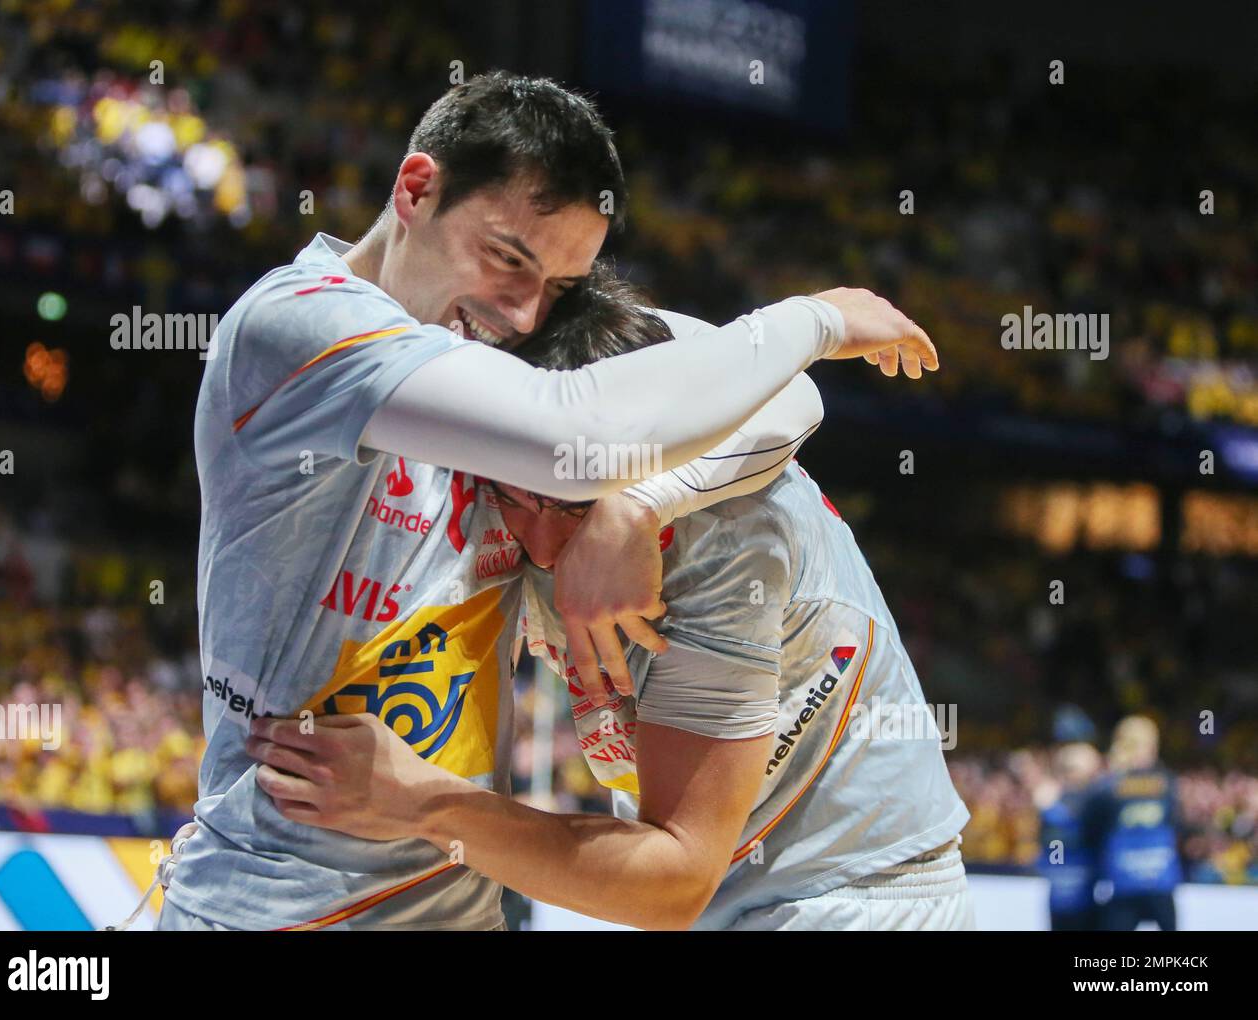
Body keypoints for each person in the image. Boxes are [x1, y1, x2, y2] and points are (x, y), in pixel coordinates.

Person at [164, 72, 940, 931]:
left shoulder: (508, 354)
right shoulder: (297, 324)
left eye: (561, 288)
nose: (524, 312)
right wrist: (820, 319)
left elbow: (778, 393)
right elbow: (584, 427)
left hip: (464, 902)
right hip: (273, 902)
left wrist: (637, 503)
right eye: (508, 258)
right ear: (417, 189)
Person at [249, 277, 970, 931]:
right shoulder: (527, 428)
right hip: (736, 901)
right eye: (518, 495)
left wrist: (422, 803)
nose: (538, 543)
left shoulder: (727, 537)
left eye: (569, 508)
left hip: (853, 900)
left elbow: (673, 880)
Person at [1085, 715, 1183, 931]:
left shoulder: (1107, 786)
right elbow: (1178, 824)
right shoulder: (1167, 782)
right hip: (1159, 878)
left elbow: (1091, 826)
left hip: (1123, 881)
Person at [1035, 742, 1103, 930]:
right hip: (1063, 891)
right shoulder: (1052, 801)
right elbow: (1052, 846)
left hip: (1088, 893)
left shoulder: (1093, 799)